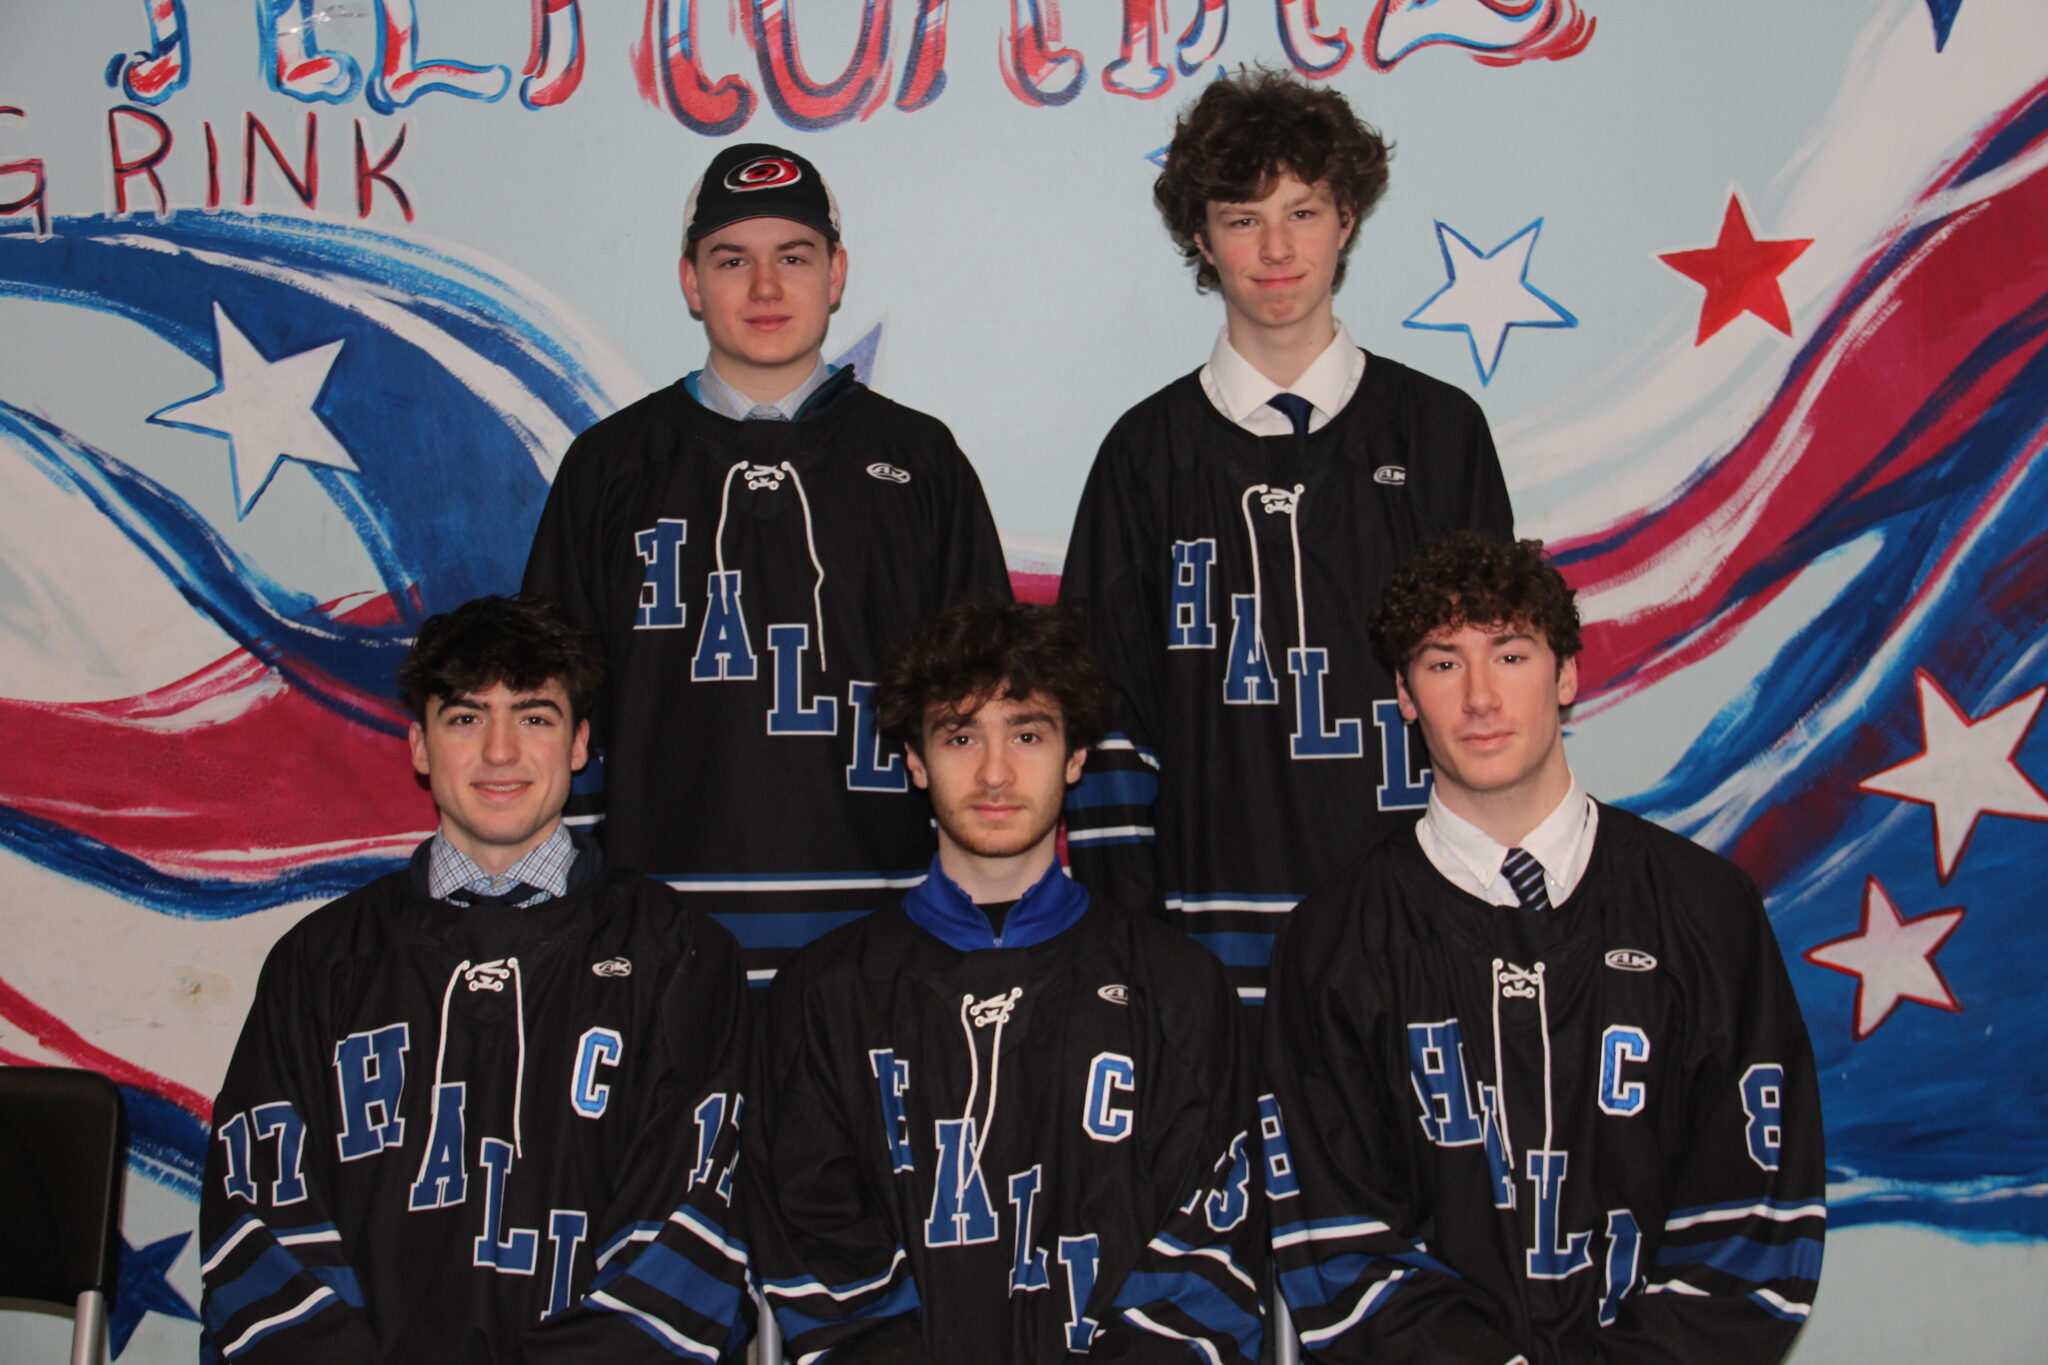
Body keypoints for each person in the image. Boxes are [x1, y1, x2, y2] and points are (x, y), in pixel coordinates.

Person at [1262, 533, 1825, 1362]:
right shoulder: (1334, 941)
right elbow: (1332, 1239)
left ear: (1566, 674)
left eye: (1512, 654)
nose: (1481, 697)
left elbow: (1756, 1215)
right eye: (1443, 663)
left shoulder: (1706, 910)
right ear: (1405, 694)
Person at [1059, 67, 1514, 1006]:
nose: (1275, 249)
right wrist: (1135, 949)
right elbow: (1104, 723)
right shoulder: (1144, 457)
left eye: (1302, 212)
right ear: (1199, 235)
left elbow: (1495, 699)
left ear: (1347, 219)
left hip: (1420, 933)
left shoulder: (1438, 435)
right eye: (1241, 217)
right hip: (1207, 947)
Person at [199, 596, 751, 1363]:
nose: (500, 752)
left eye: (534, 717)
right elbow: (256, 1219)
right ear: (420, 745)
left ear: (580, 743)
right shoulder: (317, 962)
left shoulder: (683, 956)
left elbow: (698, 1229)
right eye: (464, 718)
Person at [524, 142, 1010, 982]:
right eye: (730, 259)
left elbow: (990, 707)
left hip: (887, 936)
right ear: (689, 282)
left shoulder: (921, 462)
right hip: (652, 941)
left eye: (793, 256)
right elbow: (547, 711)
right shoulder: (609, 467)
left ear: (836, 273)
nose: (764, 287)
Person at [745, 600, 1266, 1362]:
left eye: (1027, 733)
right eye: (961, 736)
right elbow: (814, 1253)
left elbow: (1209, 1254)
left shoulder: (1182, 988)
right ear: (916, 761)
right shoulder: (823, 996)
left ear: (1076, 755)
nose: (994, 772)